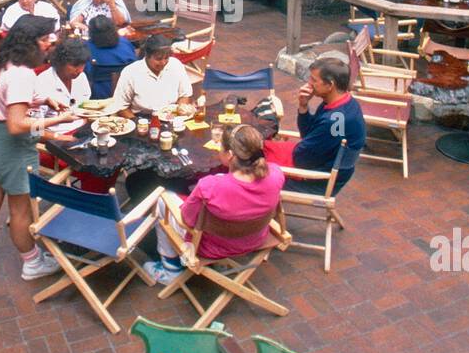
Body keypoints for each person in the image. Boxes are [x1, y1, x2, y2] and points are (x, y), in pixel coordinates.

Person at [0, 16, 77, 288]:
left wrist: (42, 99)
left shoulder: (3, 59)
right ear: (29, 42)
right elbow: (18, 125)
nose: (50, 44)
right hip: (10, 144)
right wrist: (57, 121)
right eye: (44, 39)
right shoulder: (24, 74)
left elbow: (2, 96)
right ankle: (32, 263)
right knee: (20, 211)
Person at [144, 124, 286, 284]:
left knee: (164, 199)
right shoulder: (276, 174)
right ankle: (218, 265)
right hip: (256, 238)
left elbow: (187, 220)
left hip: (211, 247)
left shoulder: (210, 185)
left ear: (230, 155)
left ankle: (171, 270)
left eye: (221, 147)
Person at [263, 56, 366, 193]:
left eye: (313, 80)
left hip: (318, 179)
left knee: (250, 161)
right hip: (317, 159)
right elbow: (308, 135)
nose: (309, 83)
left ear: (330, 85)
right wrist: (303, 106)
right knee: (262, 147)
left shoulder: (334, 122)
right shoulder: (345, 103)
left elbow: (302, 160)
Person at [110, 34, 194, 117]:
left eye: (167, 58)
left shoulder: (176, 65)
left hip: (170, 116)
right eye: (158, 59)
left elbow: (185, 95)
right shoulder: (131, 72)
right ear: (147, 55)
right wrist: (138, 124)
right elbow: (121, 106)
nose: (163, 63)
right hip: (142, 119)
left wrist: (181, 110)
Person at [86, 15, 138, 99]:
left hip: (99, 95)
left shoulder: (87, 48)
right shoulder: (125, 43)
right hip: (127, 92)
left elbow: (85, 73)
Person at [35, 37, 93, 109]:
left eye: (83, 65)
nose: (80, 70)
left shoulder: (81, 77)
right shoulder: (43, 81)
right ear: (61, 62)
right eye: (74, 65)